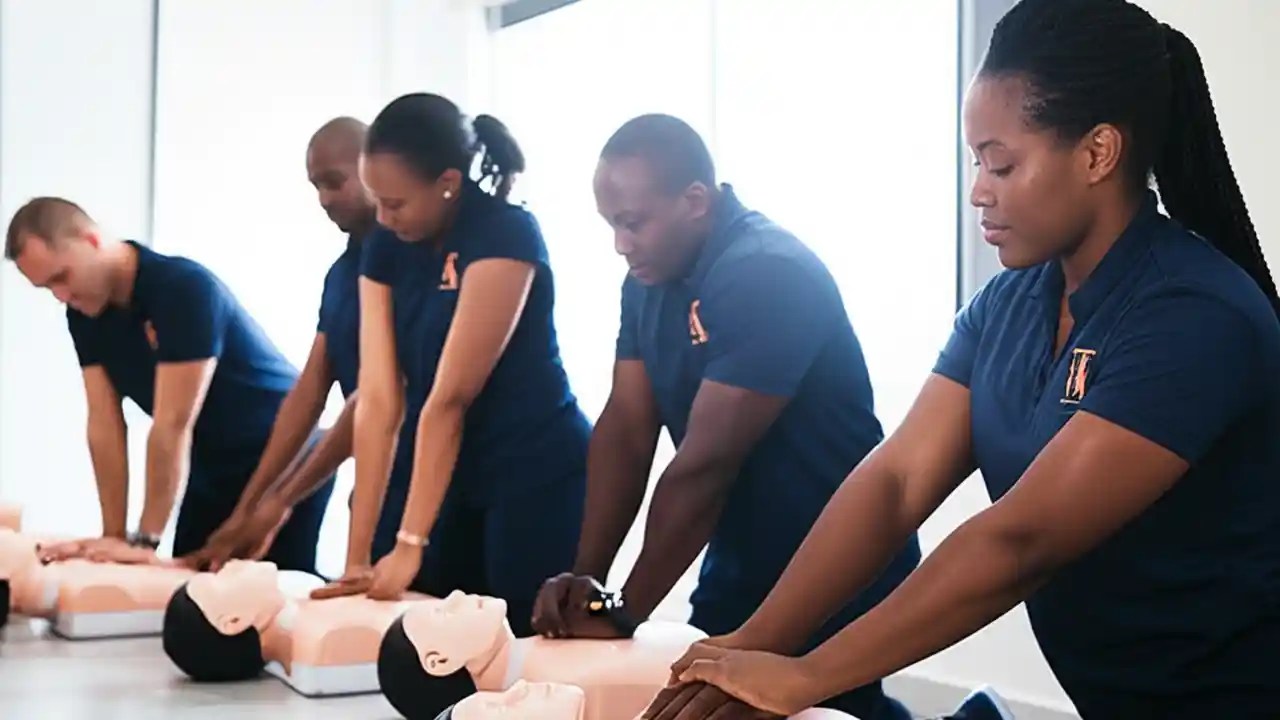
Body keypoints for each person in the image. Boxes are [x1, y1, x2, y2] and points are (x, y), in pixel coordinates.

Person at [645, 1, 1280, 719]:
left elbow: (1022, 539)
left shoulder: (1196, 314)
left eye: (1001, 163)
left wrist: (810, 674)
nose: (979, 189)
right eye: (976, 161)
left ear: (1099, 153)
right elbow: (895, 480)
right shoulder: (1011, 302)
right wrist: (755, 644)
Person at [530, 114, 920, 720]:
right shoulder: (647, 281)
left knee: (820, 709)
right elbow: (628, 428)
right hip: (740, 550)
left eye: (632, 223)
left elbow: (705, 465)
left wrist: (625, 610)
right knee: (705, 702)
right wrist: (589, 581)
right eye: (610, 225)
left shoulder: (767, 270)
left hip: (839, 550)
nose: (620, 244)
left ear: (693, 201)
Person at [312, 93, 591, 639]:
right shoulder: (386, 247)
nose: (384, 218)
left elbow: (449, 398)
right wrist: (359, 555)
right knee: (428, 641)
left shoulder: (505, 233)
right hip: (445, 469)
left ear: (447, 182)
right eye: (378, 202)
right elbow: (378, 399)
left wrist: (410, 542)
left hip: (531, 470)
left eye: (396, 203)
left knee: (516, 645)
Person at [5, 198, 334, 573]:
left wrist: (146, 540)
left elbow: (172, 424)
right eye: (47, 287)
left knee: (260, 598)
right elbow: (105, 425)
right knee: (186, 597)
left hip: (283, 455)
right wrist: (113, 537)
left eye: (61, 277)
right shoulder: (84, 315)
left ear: (91, 240)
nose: (61, 296)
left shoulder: (182, 289)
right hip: (210, 463)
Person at [184, 116, 377, 569]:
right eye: (315, 187)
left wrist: (282, 500)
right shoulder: (342, 272)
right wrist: (251, 506)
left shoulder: (409, 263)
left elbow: (378, 399)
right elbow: (311, 390)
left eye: (334, 182)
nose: (324, 200)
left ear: (377, 169)